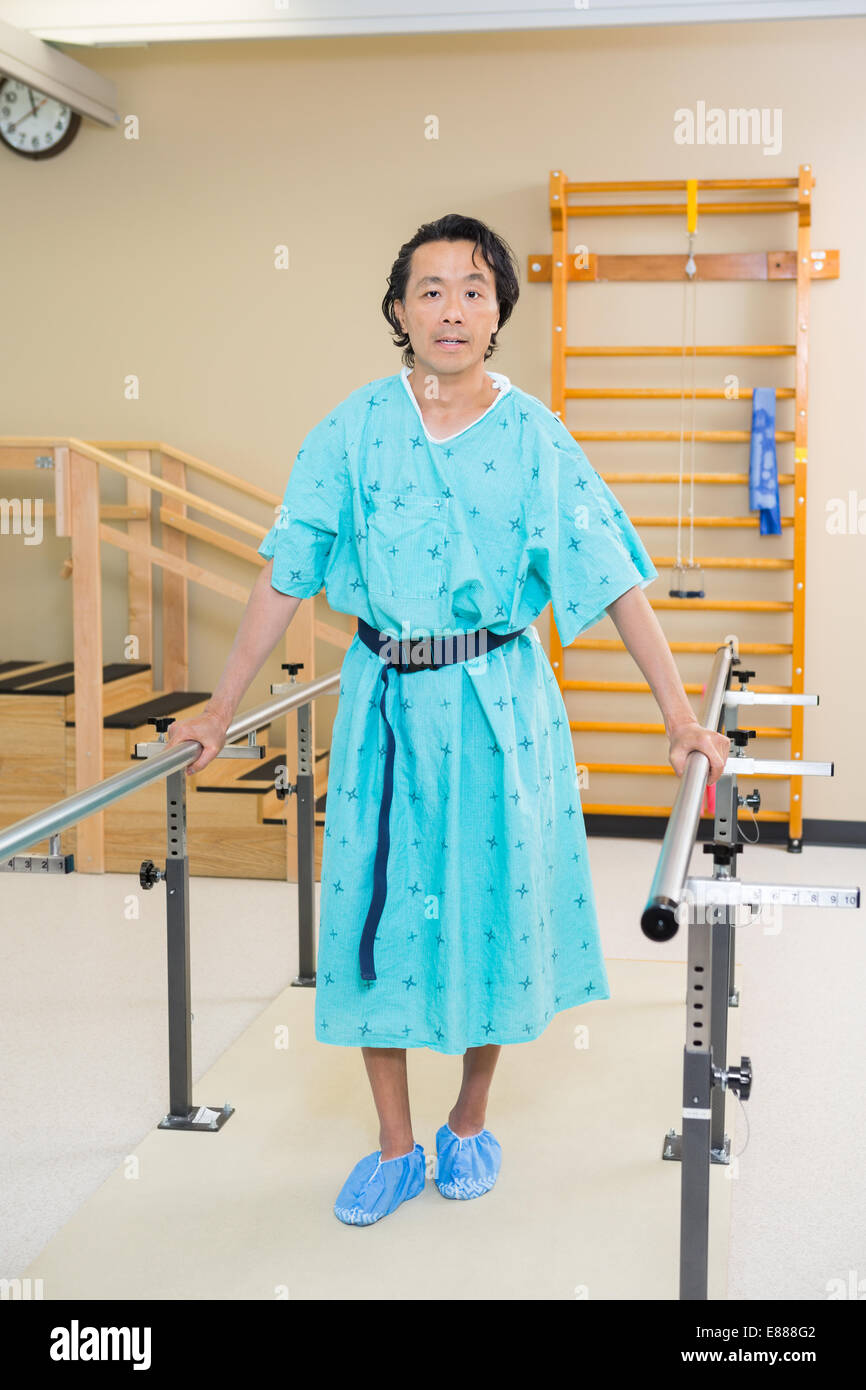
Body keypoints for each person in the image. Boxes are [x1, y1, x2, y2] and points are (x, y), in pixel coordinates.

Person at [166, 213, 731, 1227]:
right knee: (376, 915)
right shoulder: (350, 427)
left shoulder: (533, 434)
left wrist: (679, 717)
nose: (452, 309)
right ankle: (392, 1139)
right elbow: (281, 577)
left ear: (498, 310)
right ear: (397, 310)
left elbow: (611, 579)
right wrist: (218, 707)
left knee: (489, 905)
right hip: (384, 702)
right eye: (429, 290)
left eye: (473, 289)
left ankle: (469, 1116)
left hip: (498, 704)